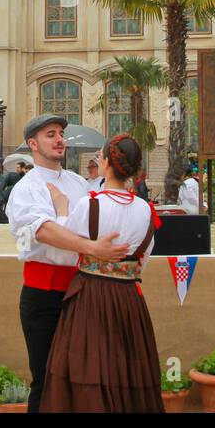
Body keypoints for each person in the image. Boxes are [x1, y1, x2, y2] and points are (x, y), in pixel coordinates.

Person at [6, 114, 130, 413]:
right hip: (44, 294)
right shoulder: (26, 189)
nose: (60, 139)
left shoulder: (78, 183)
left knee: (85, 375)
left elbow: (97, 221)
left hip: (84, 289)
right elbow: (44, 232)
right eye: (51, 134)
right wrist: (91, 247)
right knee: (48, 377)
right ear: (32, 144)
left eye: (61, 133)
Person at [40, 133, 162, 412]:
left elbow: (67, 246)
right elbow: (142, 261)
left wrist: (61, 209)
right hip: (129, 299)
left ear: (105, 163)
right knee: (128, 368)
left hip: (91, 297)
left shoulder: (89, 204)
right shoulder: (145, 209)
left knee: (88, 368)